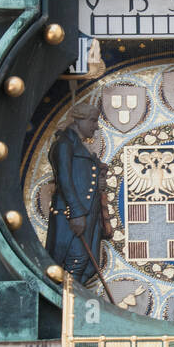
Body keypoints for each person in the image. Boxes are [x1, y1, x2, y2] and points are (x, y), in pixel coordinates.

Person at [45, 104, 111, 285]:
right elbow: (65, 179)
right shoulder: (64, 144)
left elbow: (80, 178)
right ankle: (67, 302)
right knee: (76, 260)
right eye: (93, 120)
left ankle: (73, 299)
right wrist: (76, 213)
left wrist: (98, 182)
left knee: (85, 264)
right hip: (74, 216)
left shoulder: (74, 144)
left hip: (86, 215)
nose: (96, 126)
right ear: (77, 120)